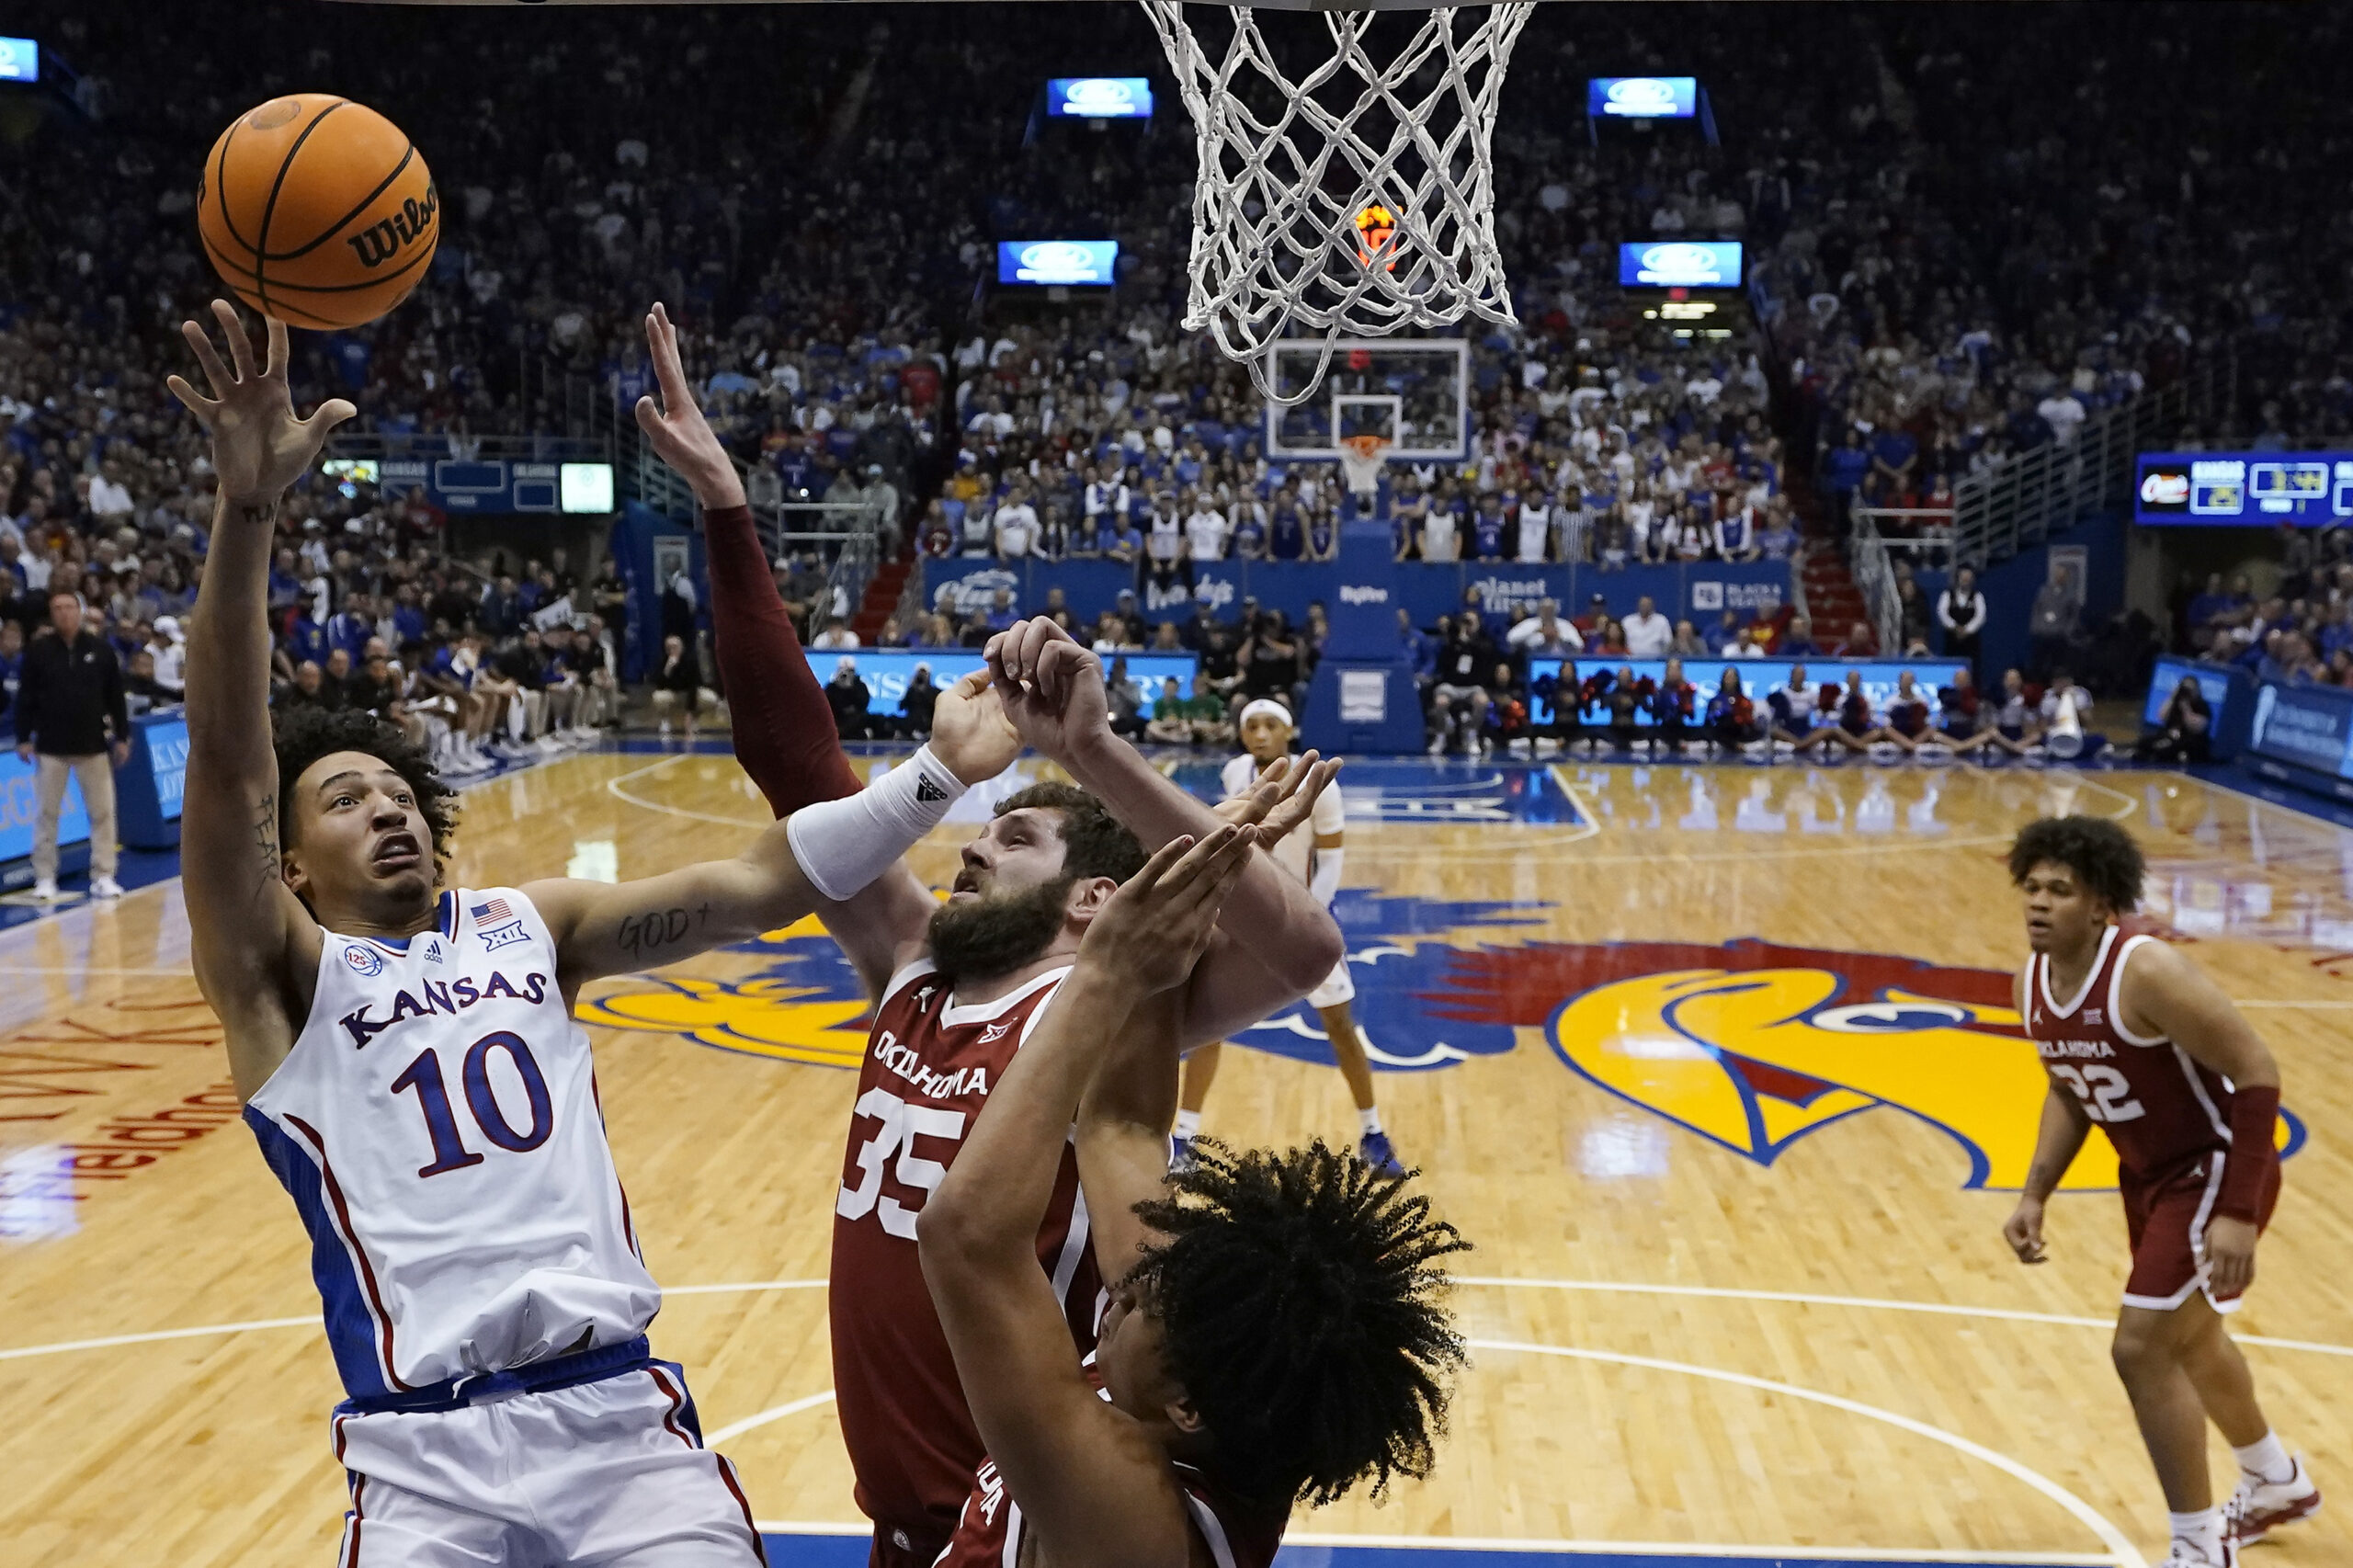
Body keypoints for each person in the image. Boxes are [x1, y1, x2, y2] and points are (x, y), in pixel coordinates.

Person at [163, 300, 1025, 1568]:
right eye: (347, 800)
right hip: (422, 1455)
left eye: (400, 792)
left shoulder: (531, 924)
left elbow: (756, 881)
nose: (390, 808)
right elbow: (232, 765)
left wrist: (931, 781)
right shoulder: (281, 975)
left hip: (622, 1425)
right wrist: (247, 517)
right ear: (288, 863)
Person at [647, 297, 1348, 1568]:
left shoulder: (1116, 1003)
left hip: (1046, 1518)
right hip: (907, 1529)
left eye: (1014, 839)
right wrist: (729, 513)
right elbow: (795, 763)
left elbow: (1303, 952)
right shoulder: (915, 956)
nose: (968, 844)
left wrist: (1092, 752)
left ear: (1091, 896)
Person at [917, 824, 1467, 1568]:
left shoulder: (1135, 1521)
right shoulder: (1208, 1375)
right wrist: (1169, 870)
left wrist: (1104, 975)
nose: (1126, 1292)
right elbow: (1122, 1127)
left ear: (1187, 1407)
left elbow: (965, 1238)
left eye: (1144, 1307)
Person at [2003, 819, 2321, 1565]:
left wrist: (2238, 1211)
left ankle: (2197, 1547)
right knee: (2194, 1342)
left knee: (2141, 1350)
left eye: (2062, 890)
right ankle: (2274, 1479)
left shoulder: (2145, 971)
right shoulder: (2032, 982)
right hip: (2148, 1181)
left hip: (2213, 1171)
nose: (2040, 905)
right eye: (2033, 888)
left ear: (2103, 905)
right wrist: (2034, 1194)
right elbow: (2069, 1088)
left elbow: (2257, 1070)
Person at [1175, 699, 1403, 1177]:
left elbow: (1332, 862)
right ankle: (1184, 1136)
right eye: (1251, 726)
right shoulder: (1236, 771)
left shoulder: (1321, 782)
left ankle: (1373, 1132)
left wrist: (1302, 921)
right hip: (1241, 921)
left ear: (1289, 731)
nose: (1259, 733)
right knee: (1207, 1027)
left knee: (1341, 1028)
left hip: (1298, 919)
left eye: (1270, 725)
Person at [15, 585, 131, 902]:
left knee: (103, 813)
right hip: (51, 747)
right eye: (58, 609)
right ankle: (45, 877)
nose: (64, 613)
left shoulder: (101, 650)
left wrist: (122, 735)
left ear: (79, 611)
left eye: (69, 607)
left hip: (93, 746)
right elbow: (25, 698)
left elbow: (115, 697)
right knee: (46, 815)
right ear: (52, 615)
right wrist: (23, 737)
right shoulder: (38, 652)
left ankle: (104, 875)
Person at [2137, 677, 2213, 764]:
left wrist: (2186, 709)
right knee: (2143, 743)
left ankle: (2178, 755)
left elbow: (2197, 728)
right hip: (2170, 735)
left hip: (2188, 740)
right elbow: (2162, 716)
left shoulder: (2202, 706)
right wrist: (2172, 697)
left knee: (2164, 751)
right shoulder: (2175, 702)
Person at [651, 632, 708, 741]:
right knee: (658, 697)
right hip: (672, 693)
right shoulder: (662, 660)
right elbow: (658, 685)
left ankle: (694, 720)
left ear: (682, 647)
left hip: (689, 693)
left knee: (710, 698)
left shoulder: (691, 660)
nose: (673, 650)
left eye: (675, 647)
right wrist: (668, 670)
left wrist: (689, 713)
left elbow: (694, 686)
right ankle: (665, 721)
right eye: (669, 647)